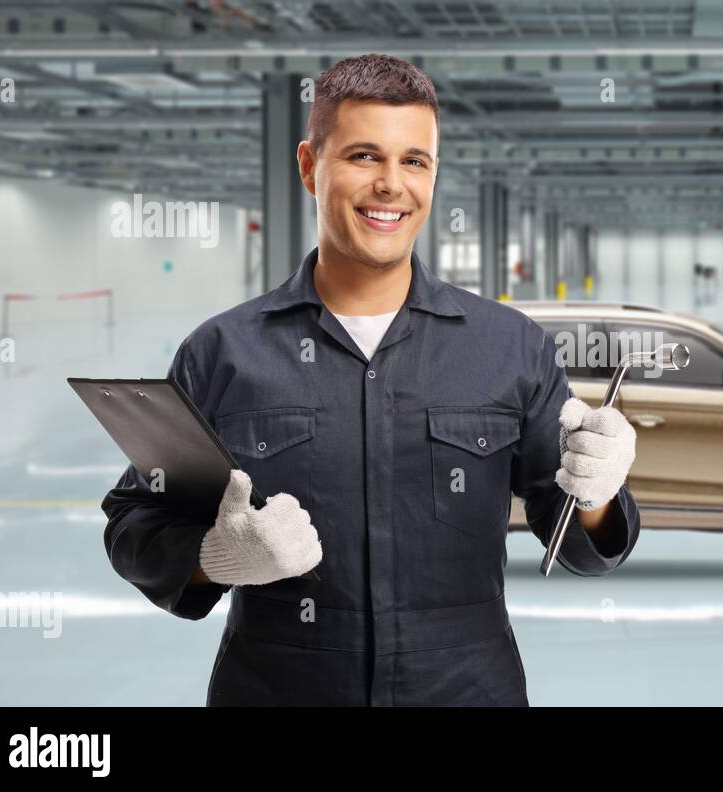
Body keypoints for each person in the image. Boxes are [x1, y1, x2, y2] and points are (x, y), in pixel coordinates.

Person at [101, 54, 641, 706]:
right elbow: (135, 523)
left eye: (414, 161)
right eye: (364, 156)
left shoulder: (509, 347)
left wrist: (598, 491)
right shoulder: (222, 353)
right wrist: (215, 555)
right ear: (308, 166)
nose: (391, 184)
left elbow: (580, 545)